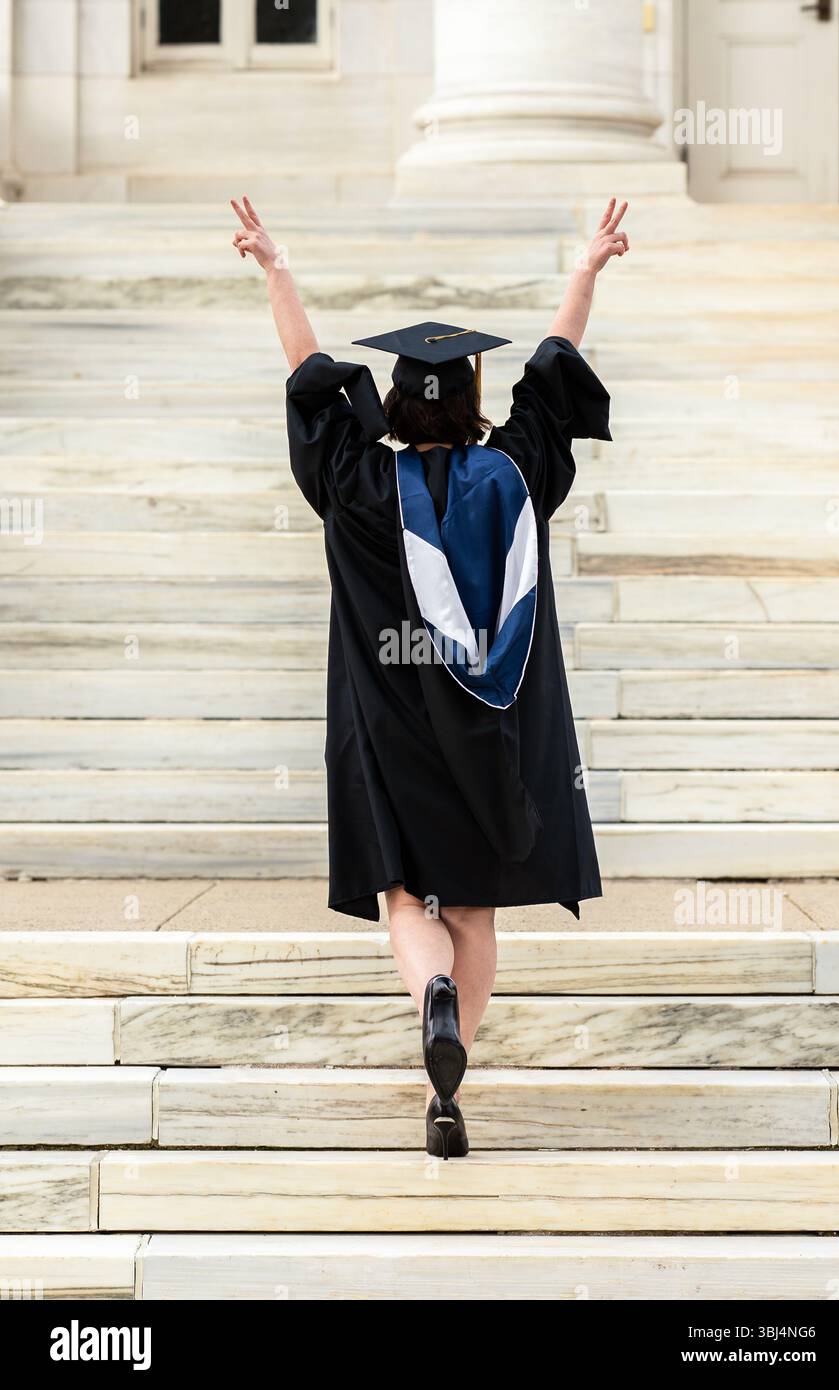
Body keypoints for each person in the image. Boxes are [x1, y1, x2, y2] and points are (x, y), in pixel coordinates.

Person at [231, 194, 629, 1158]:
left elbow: (309, 377)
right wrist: (586, 270)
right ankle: (446, 1086)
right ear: (473, 397)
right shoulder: (516, 474)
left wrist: (276, 270)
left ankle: (431, 998)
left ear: (402, 397)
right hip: (489, 737)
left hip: (392, 731)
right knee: (477, 905)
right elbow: (552, 375)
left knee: (406, 897)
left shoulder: (363, 486)